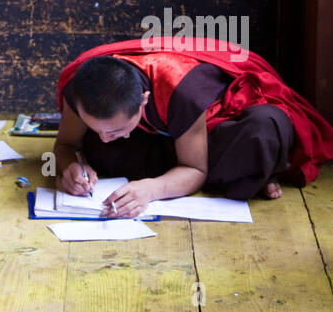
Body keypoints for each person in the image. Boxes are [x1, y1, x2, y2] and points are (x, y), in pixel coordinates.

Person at [53, 36, 333, 218]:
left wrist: (150, 190)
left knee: (262, 133)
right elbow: (66, 145)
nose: (104, 137)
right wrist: (72, 165)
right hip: (157, 140)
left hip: (209, 127)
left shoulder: (178, 90)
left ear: (144, 100)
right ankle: (248, 177)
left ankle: (255, 169)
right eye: (97, 127)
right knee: (99, 149)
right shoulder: (83, 92)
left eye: (113, 130)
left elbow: (195, 169)